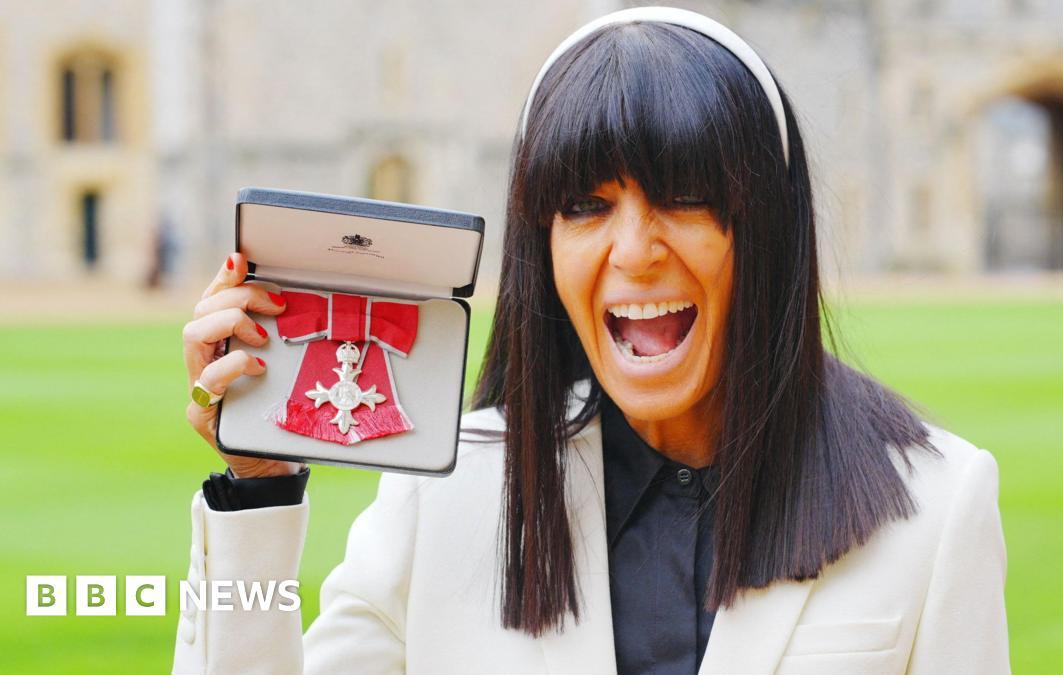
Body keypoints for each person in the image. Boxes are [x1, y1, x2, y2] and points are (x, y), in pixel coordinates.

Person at [175, 7, 1009, 674]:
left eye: (684, 196)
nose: (635, 251)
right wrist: (259, 488)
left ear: (769, 228)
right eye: (585, 205)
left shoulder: (937, 504)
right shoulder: (447, 489)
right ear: (542, 244)